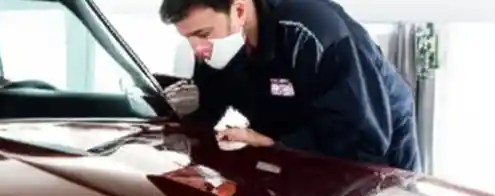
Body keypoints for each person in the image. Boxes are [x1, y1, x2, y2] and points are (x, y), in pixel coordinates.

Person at [159, 0, 421, 171]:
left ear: (239, 10)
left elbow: (360, 133)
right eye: (188, 37)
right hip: (298, 140)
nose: (198, 48)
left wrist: (273, 143)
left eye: (202, 35)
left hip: (375, 131)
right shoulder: (216, 48)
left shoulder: (313, 32)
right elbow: (208, 109)